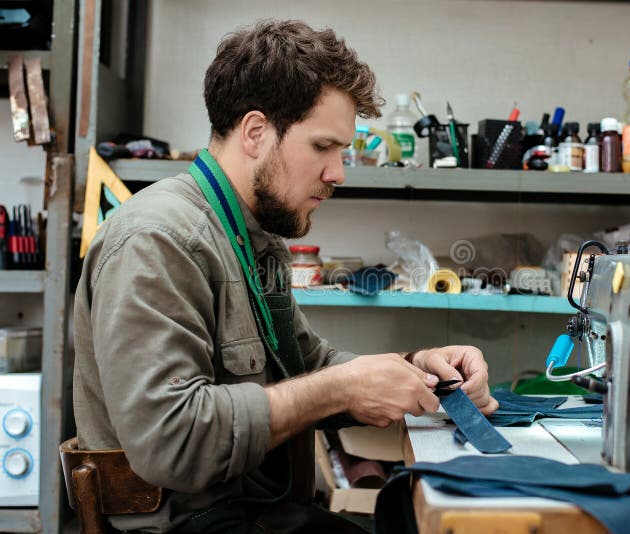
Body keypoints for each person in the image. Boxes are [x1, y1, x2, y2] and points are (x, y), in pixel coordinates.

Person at [73, 19, 499, 534]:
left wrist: (416, 368)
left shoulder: (255, 237)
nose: (339, 172)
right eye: (323, 147)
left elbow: (307, 366)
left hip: (260, 513)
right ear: (256, 133)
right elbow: (173, 442)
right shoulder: (157, 239)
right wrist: (341, 389)